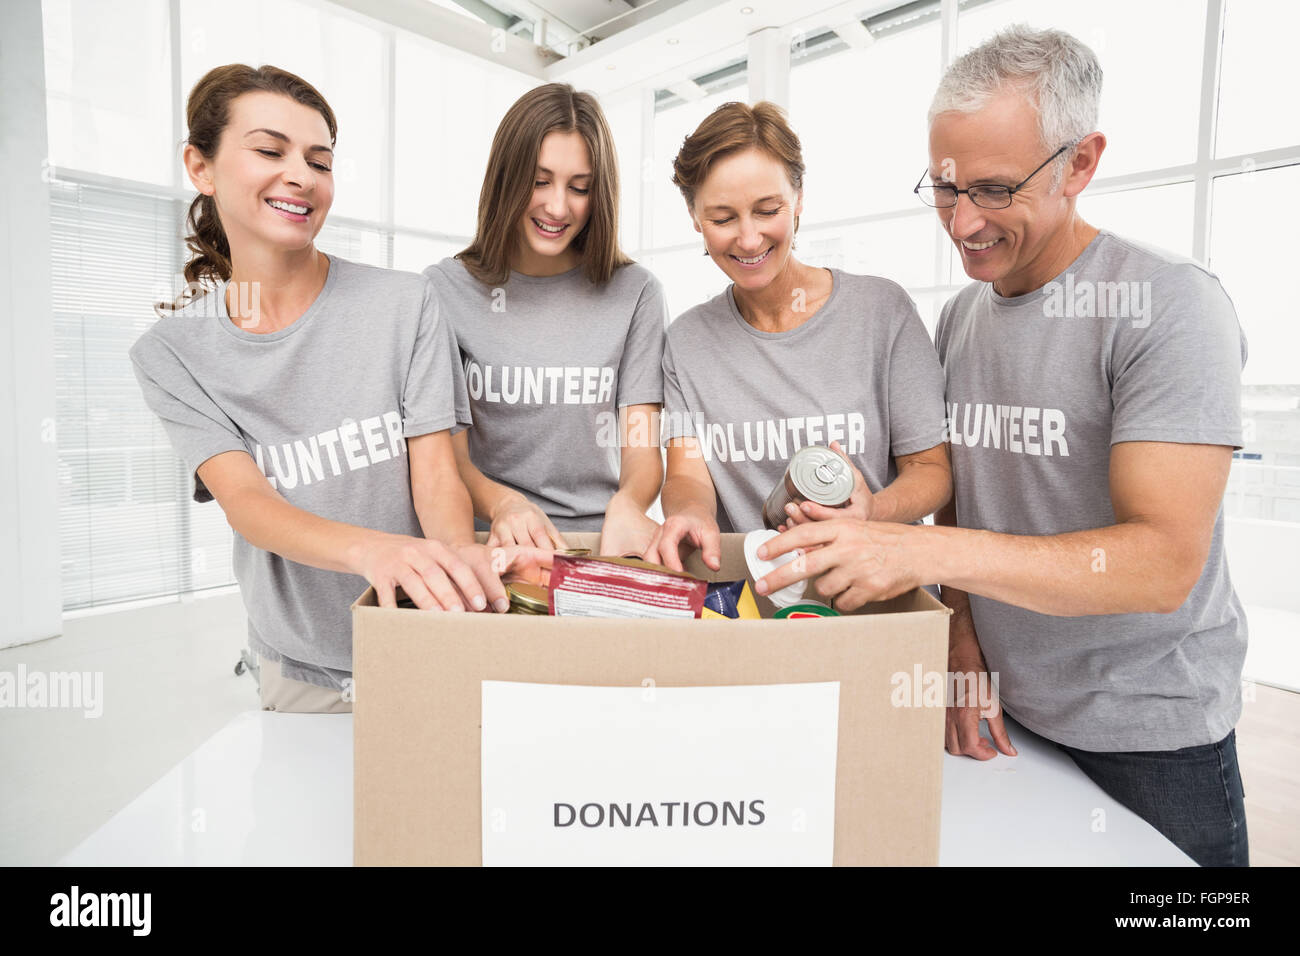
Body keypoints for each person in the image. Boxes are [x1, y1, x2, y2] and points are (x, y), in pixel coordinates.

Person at [756, 26, 1250, 866]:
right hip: (1007, 713)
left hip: (1153, 738)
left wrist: (916, 556)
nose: (964, 222)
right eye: (945, 189)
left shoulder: (1168, 307)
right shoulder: (959, 319)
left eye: (993, 188)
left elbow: (1162, 563)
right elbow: (963, 489)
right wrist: (959, 634)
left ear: (1080, 163)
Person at [130, 65, 545, 714]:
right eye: (270, 150)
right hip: (304, 668)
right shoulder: (172, 355)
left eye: (319, 160)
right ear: (201, 167)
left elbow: (436, 474)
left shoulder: (404, 303)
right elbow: (246, 502)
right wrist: (374, 551)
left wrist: (462, 576)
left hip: (423, 641)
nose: (300, 174)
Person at [643, 101, 950, 574]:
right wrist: (689, 513)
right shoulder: (687, 342)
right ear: (693, 214)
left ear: (799, 197)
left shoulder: (882, 312)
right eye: (723, 219)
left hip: (881, 601)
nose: (748, 239)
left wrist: (874, 511)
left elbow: (931, 472)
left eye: (768, 210)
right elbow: (687, 474)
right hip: (758, 609)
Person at [424, 83, 667, 558]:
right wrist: (503, 504)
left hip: (599, 544)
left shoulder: (636, 293)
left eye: (580, 188)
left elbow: (641, 444)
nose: (558, 207)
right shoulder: (442, 290)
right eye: (539, 181)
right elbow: (443, 455)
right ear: (505, 178)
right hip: (486, 542)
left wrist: (630, 503)